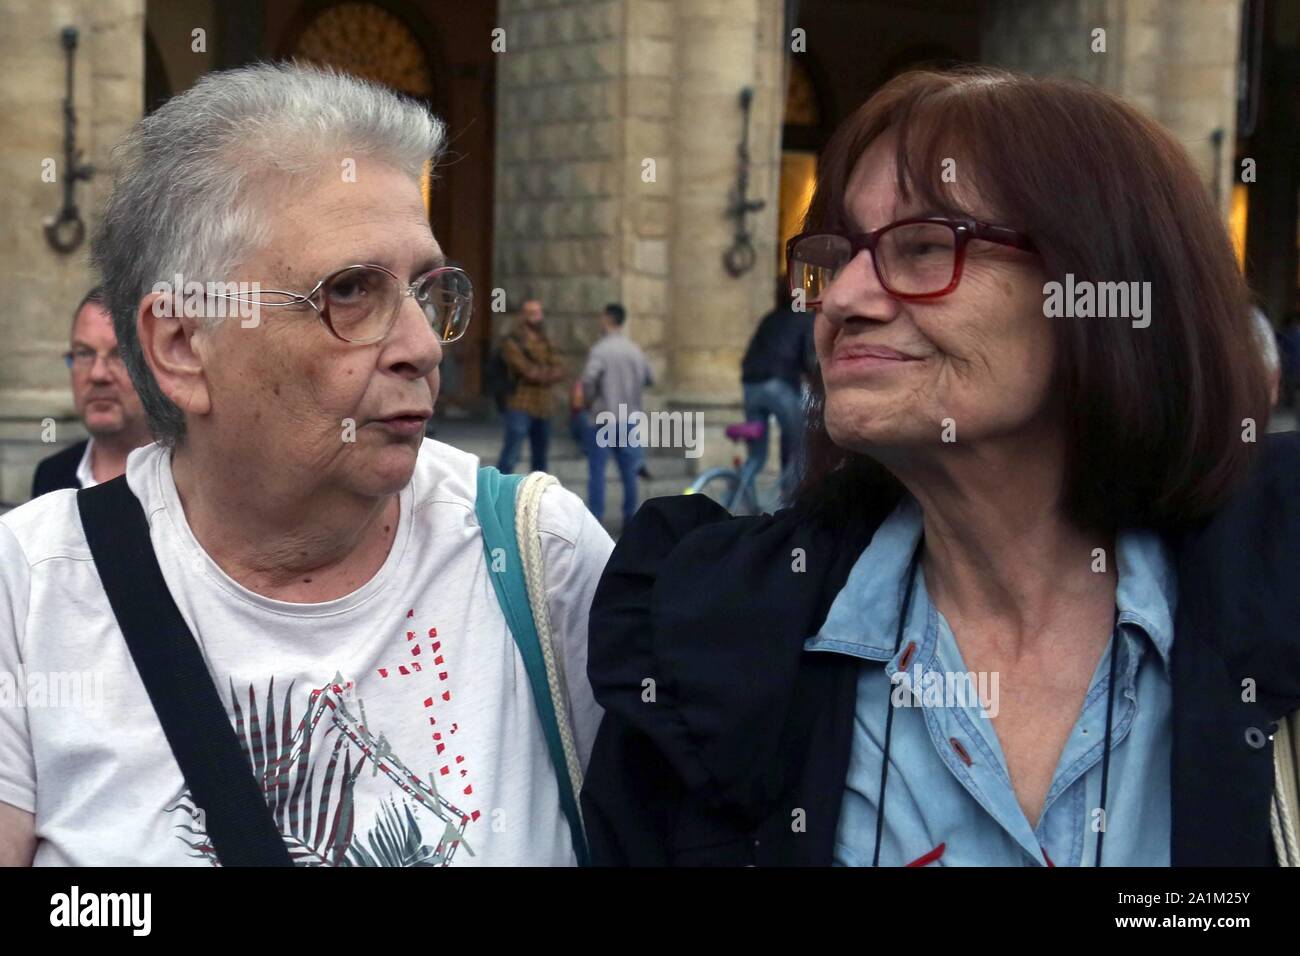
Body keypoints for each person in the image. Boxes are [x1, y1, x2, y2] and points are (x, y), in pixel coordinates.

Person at [581, 67, 1300, 866]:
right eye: (839, 255)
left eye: (924, 247)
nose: (844, 298)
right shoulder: (711, 644)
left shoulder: (1272, 591)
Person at [0, 63, 612, 867]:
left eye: (428, 291)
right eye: (351, 291)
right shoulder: (30, 591)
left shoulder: (540, 558)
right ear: (183, 346)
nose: (425, 348)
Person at [30, 287, 151, 496]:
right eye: (84, 353)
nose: (98, 374)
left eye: (119, 354)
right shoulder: (51, 475)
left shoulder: (188, 478)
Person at [739, 284, 816, 502]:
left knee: (756, 455)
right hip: (779, 385)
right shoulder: (805, 319)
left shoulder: (769, 318)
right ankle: (790, 501)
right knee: (797, 447)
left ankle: (739, 495)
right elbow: (809, 359)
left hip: (751, 384)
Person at [579, 303, 653, 526]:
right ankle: (630, 518)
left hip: (603, 417)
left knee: (598, 472)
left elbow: (589, 380)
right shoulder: (634, 350)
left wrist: (589, 400)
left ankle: (596, 520)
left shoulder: (600, 350)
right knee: (629, 472)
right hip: (628, 418)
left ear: (608, 319)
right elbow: (649, 377)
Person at [496, 298, 565, 474]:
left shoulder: (547, 340)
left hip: (543, 405)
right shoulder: (512, 341)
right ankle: (497, 493)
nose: (536, 317)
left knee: (541, 458)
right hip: (520, 403)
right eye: (532, 313)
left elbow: (561, 367)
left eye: (538, 313)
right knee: (511, 454)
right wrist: (547, 374)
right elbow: (525, 370)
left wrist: (544, 373)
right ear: (523, 316)